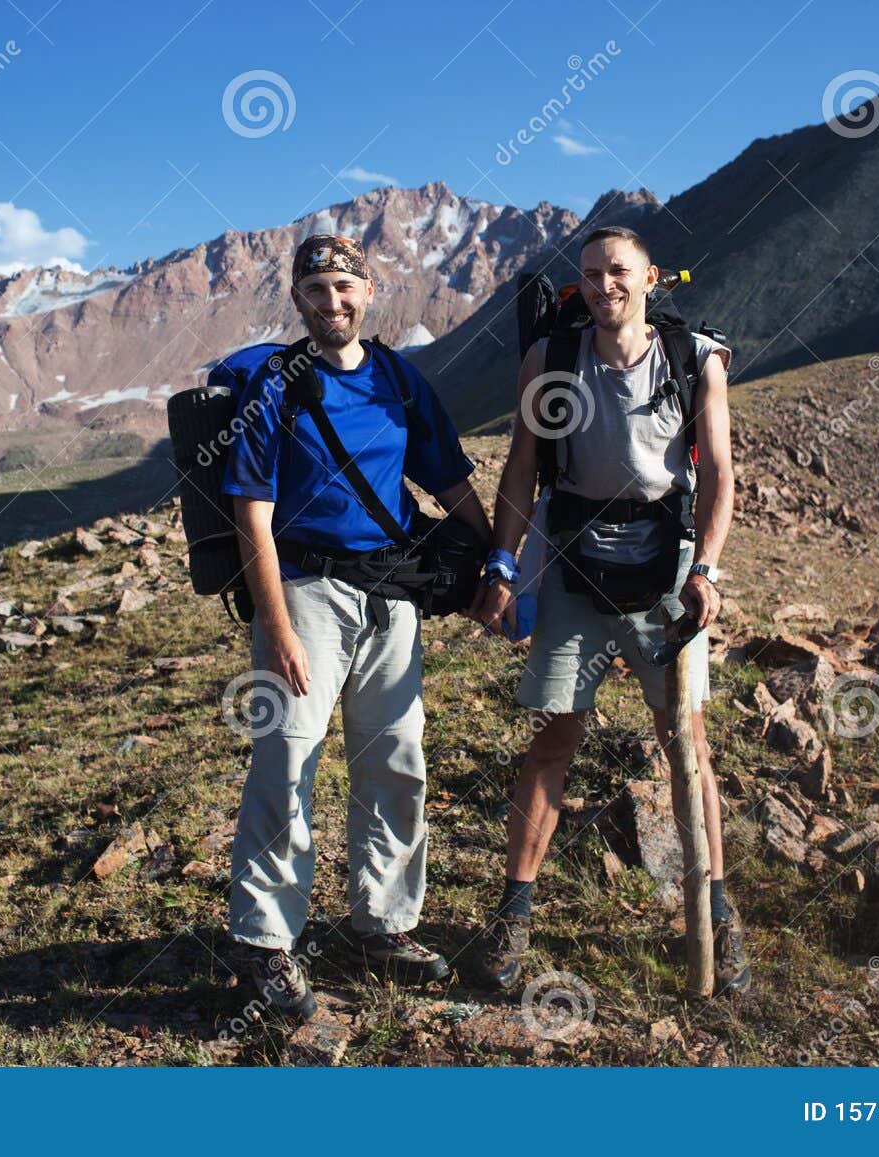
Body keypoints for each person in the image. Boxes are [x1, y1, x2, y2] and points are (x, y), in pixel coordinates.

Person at [219, 233, 491, 1021]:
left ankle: (385, 923)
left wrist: (501, 557)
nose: (333, 303)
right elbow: (253, 518)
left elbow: (449, 479)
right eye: (316, 292)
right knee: (287, 758)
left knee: (397, 756)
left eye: (345, 287)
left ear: (370, 290)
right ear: (298, 301)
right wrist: (275, 626)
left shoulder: (400, 379)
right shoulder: (276, 386)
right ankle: (264, 945)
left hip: (391, 594)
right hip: (304, 591)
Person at [473, 225, 750, 995]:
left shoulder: (697, 360)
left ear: (652, 277)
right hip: (570, 562)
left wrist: (708, 569)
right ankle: (514, 914)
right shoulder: (550, 359)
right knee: (555, 736)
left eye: (619, 272)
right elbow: (523, 465)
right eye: (591, 275)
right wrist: (503, 561)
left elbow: (721, 473)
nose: (605, 286)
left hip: (666, 565)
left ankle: (716, 915)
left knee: (685, 738)